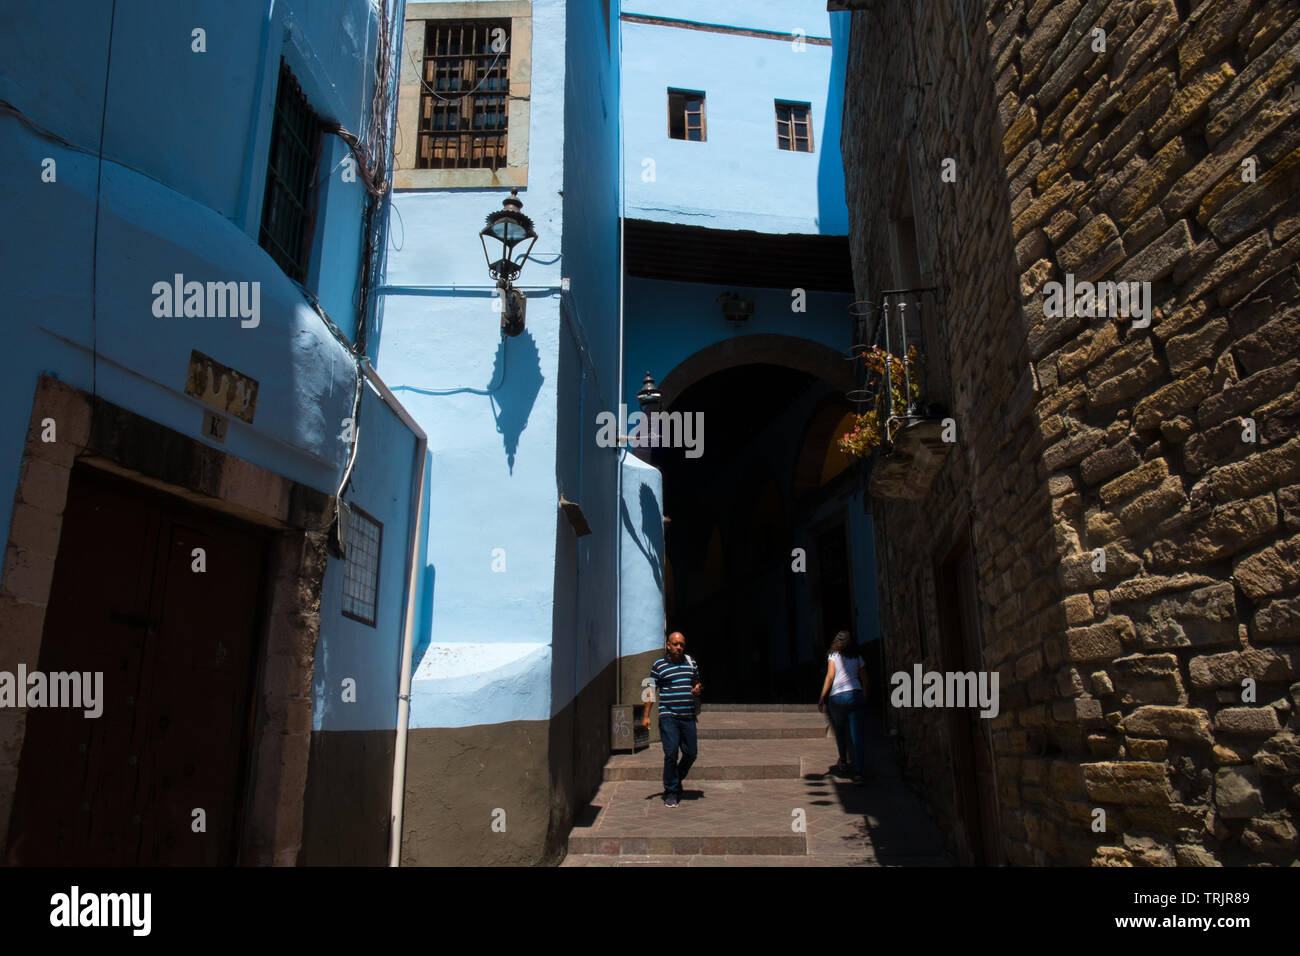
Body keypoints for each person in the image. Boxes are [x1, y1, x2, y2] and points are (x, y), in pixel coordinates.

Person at [640, 631, 702, 808]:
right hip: (668, 716)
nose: (679, 647)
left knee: (691, 753)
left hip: (688, 715)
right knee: (671, 753)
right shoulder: (659, 665)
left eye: (681, 644)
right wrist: (645, 716)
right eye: (675, 644)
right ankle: (671, 791)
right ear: (668, 645)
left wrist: (697, 688)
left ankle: (674, 779)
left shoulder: (691, 662)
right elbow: (650, 690)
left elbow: (696, 683)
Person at [817, 630, 868, 785]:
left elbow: (830, 676)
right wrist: (864, 698)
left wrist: (821, 697)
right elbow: (866, 680)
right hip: (855, 695)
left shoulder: (833, 656)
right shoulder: (858, 658)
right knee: (857, 734)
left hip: (837, 697)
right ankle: (858, 773)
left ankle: (843, 761)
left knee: (840, 729)